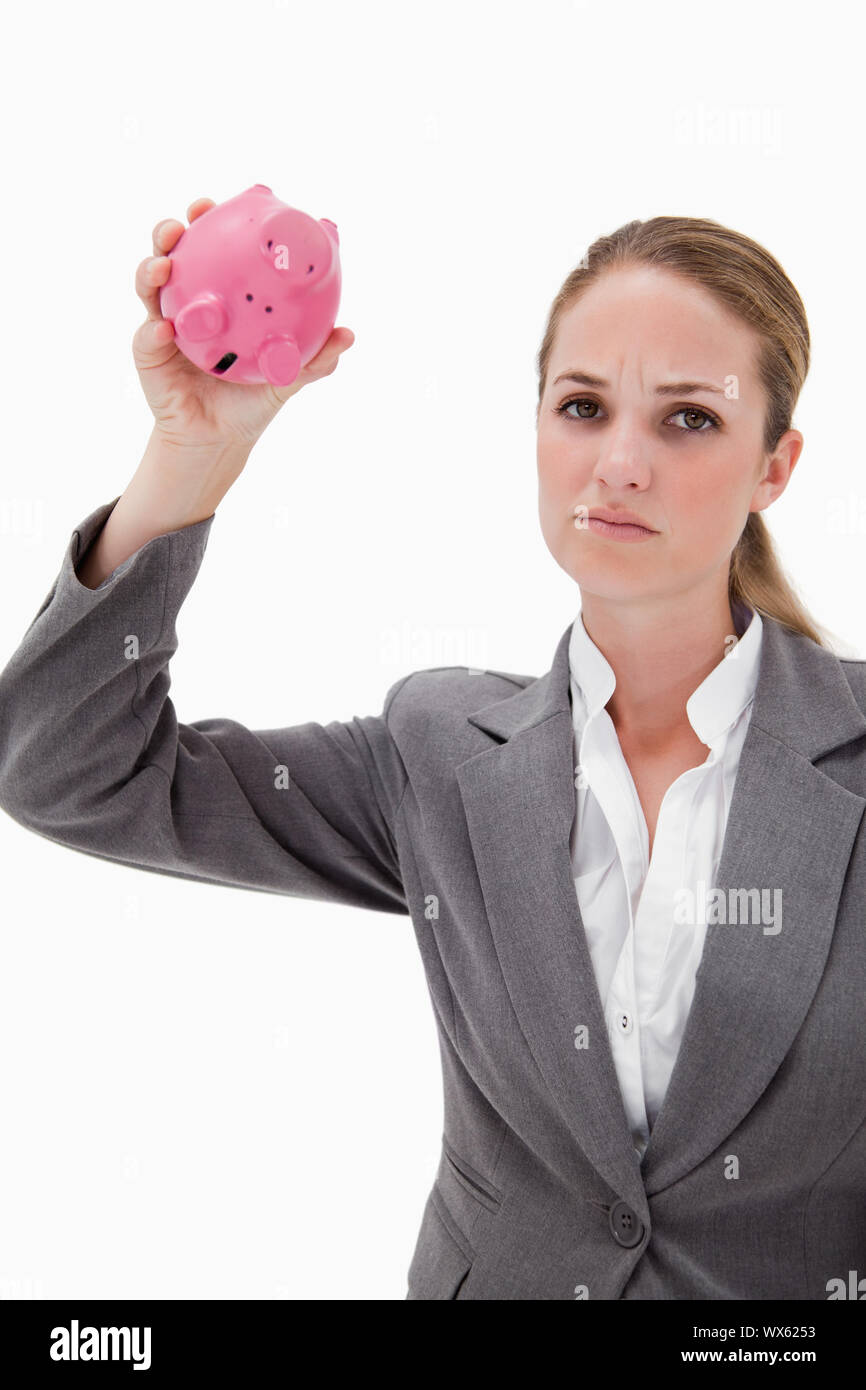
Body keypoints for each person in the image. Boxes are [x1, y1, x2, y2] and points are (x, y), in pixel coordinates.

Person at [0, 206, 864, 1300]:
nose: (620, 464)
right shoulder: (441, 755)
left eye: (688, 419)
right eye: (582, 407)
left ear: (772, 467)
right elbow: (66, 770)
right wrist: (194, 453)